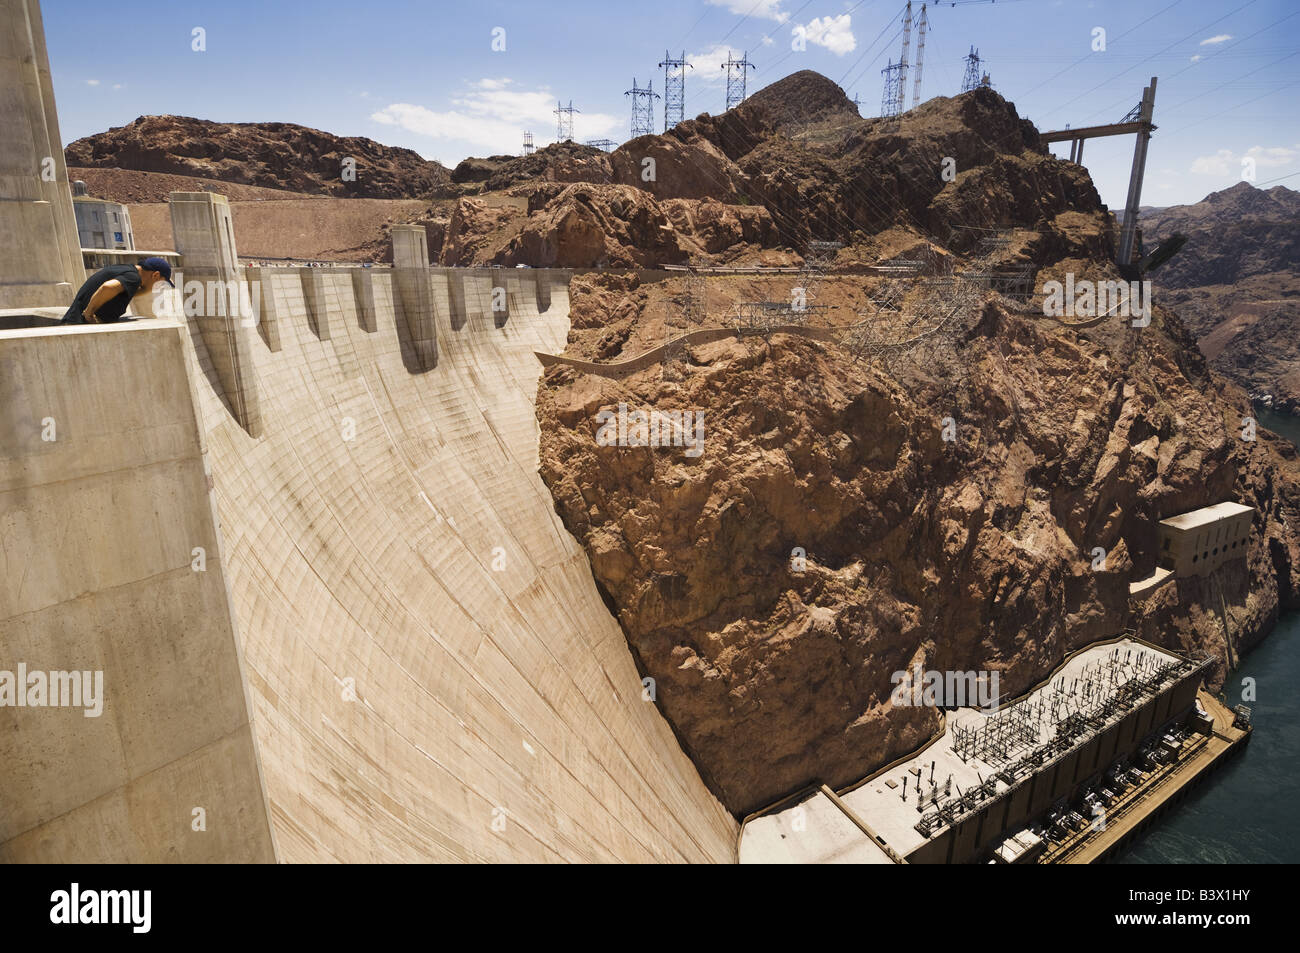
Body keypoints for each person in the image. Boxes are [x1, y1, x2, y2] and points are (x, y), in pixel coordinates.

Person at [60, 257, 174, 325]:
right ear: (155, 275)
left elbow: (125, 292)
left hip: (74, 322)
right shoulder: (134, 278)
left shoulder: (128, 271)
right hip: (79, 325)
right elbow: (108, 287)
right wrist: (89, 313)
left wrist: (149, 289)